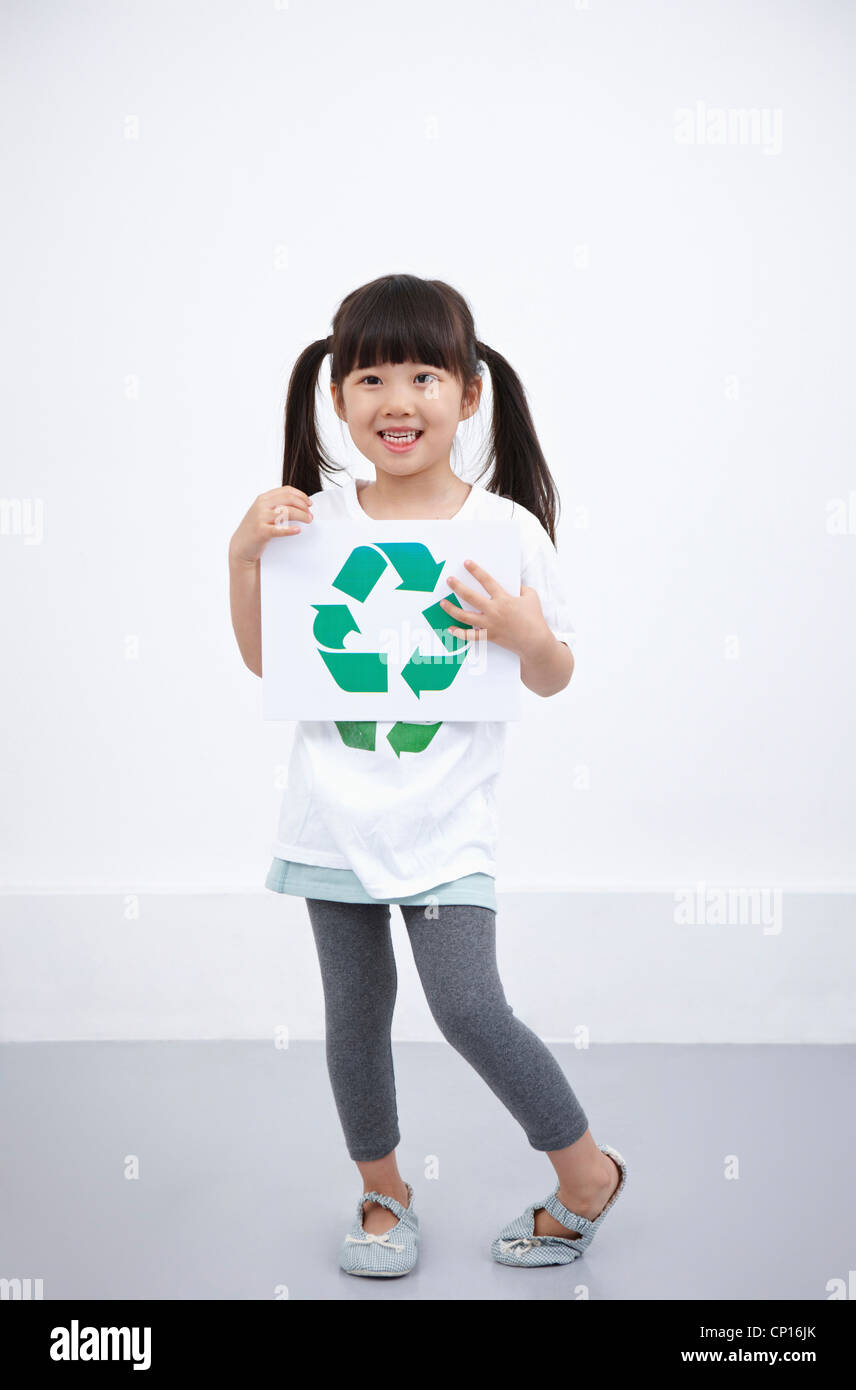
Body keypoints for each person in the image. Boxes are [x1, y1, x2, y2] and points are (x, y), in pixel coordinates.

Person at [228, 273, 627, 1277]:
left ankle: (586, 1174)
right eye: (368, 376)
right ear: (336, 397)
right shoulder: (307, 524)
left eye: (421, 374)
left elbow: (552, 673)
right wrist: (241, 561)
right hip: (328, 822)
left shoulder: (503, 533)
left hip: (445, 823)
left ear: (469, 391)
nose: (395, 398)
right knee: (354, 1015)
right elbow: (269, 663)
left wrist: (525, 630)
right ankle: (382, 1188)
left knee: (466, 1007)